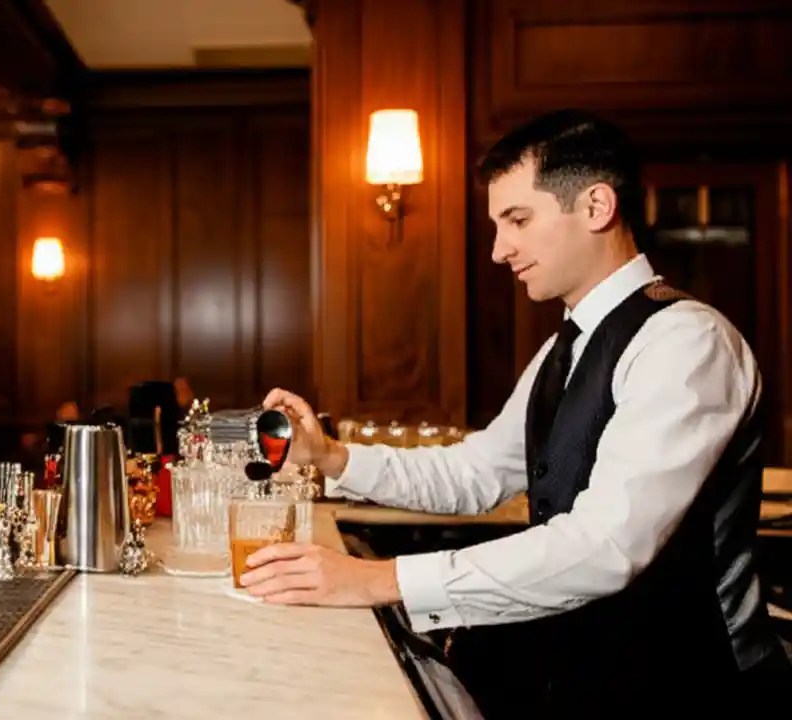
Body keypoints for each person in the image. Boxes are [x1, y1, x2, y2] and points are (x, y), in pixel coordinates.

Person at [242, 110, 791, 715]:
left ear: (596, 206)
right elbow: (477, 473)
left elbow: (607, 544)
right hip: (590, 670)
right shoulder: (567, 345)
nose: (500, 250)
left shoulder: (688, 342)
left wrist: (378, 580)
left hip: (693, 684)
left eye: (517, 220)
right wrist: (333, 457)